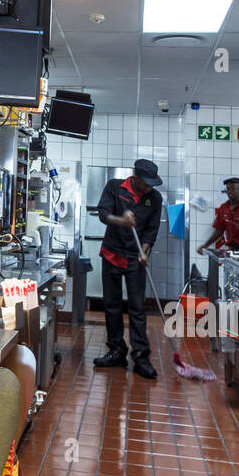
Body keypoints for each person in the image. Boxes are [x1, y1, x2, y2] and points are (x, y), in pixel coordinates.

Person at [93, 159, 163, 378]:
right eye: (147, 183)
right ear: (136, 177)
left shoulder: (154, 198)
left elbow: (152, 229)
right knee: (112, 305)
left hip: (135, 258)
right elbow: (104, 214)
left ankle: (141, 357)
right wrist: (122, 220)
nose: (150, 187)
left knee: (137, 307)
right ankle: (116, 351)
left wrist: (145, 251)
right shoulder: (115, 187)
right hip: (112, 253)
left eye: (153, 183)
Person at [196, 177, 239, 254]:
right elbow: (219, 230)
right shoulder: (223, 208)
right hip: (232, 250)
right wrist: (205, 245)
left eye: (233, 189)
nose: (229, 191)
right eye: (228, 188)